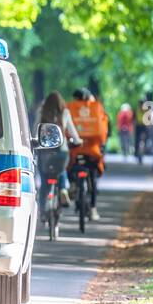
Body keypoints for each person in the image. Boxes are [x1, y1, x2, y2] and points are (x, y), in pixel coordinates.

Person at [34, 91, 80, 217]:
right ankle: (64, 188)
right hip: (62, 151)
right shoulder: (65, 113)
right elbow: (72, 132)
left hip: (44, 152)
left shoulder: (41, 112)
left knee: (44, 182)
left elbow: (35, 131)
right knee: (62, 169)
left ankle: (43, 212)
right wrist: (78, 141)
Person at [66, 88, 109, 221]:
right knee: (94, 178)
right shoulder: (96, 108)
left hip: (76, 150)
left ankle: (73, 183)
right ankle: (93, 208)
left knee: (69, 165)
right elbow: (104, 132)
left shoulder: (71, 108)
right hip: (92, 151)